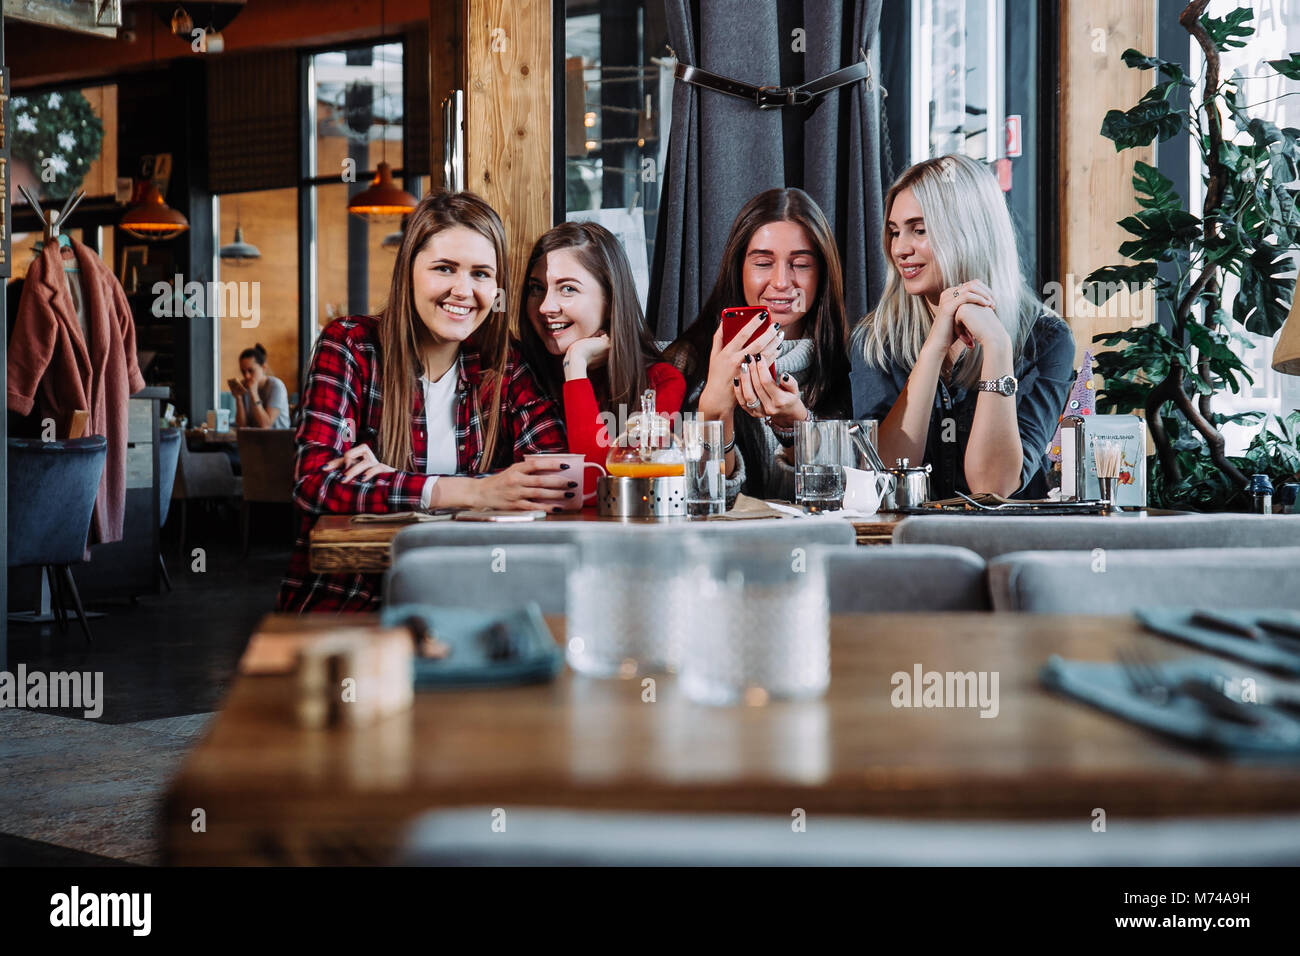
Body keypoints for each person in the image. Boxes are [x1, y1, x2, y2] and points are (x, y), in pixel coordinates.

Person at [277, 191, 571, 613]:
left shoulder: (503, 364)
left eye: (481, 274)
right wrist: (474, 491)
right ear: (408, 271)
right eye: (444, 269)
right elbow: (315, 484)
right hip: (351, 602)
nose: (463, 290)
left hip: (469, 602)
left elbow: (554, 477)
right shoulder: (350, 345)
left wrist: (386, 481)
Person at [850, 154, 1075, 499]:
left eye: (919, 230)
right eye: (895, 232)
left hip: (1012, 545)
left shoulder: (1045, 338)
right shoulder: (876, 339)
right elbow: (885, 476)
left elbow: (993, 487)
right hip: (905, 544)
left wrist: (997, 347)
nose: (900, 249)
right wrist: (933, 350)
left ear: (969, 230)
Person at [663, 187, 852, 503]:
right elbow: (693, 504)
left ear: (823, 273)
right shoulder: (686, 364)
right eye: (763, 263)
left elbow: (849, 501)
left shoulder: (851, 363)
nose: (781, 282)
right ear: (739, 269)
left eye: (801, 264)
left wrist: (797, 432)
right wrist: (714, 412)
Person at [517, 221, 685, 488]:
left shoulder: (661, 383)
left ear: (610, 300)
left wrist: (576, 365)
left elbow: (601, 482)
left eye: (568, 289)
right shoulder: (519, 374)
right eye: (537, 288)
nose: (545, 307)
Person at [229, 344, 291, 429]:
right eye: (243, 372)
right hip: (255, 439)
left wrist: (254, 394)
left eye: (251, 371)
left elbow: (265, 425)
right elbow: (241, 426)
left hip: (278, 439)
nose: (247, 376)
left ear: (264, 367)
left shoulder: (276, 386)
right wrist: (238, 398)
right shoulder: (245, 386)